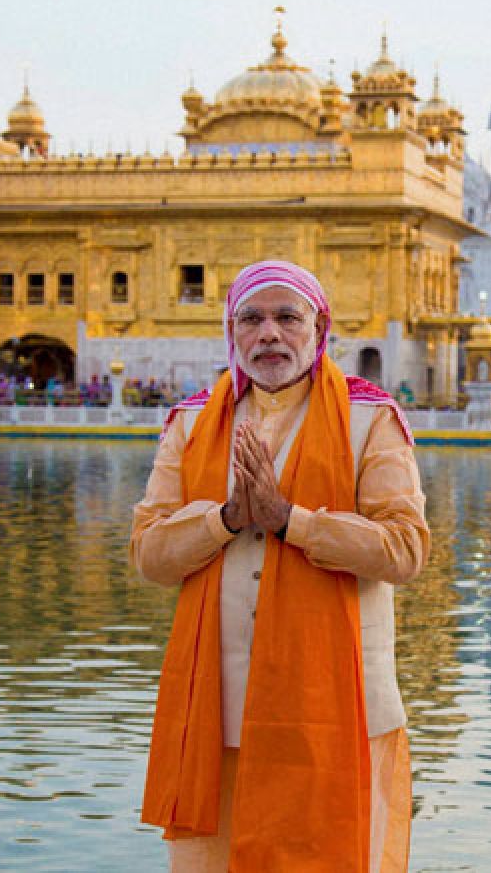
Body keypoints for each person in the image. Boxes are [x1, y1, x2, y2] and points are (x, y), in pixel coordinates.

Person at [131, 260, 429, 872]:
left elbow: (405, 550)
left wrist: (291, 520)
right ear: (232, 333)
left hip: (339, 706)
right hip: (219, 709)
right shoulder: (192, 424)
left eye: (287, 318)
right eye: (252, 319)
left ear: (319, 329)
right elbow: (149, 556)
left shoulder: (368, 418)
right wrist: (225, 520)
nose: (269, 334)